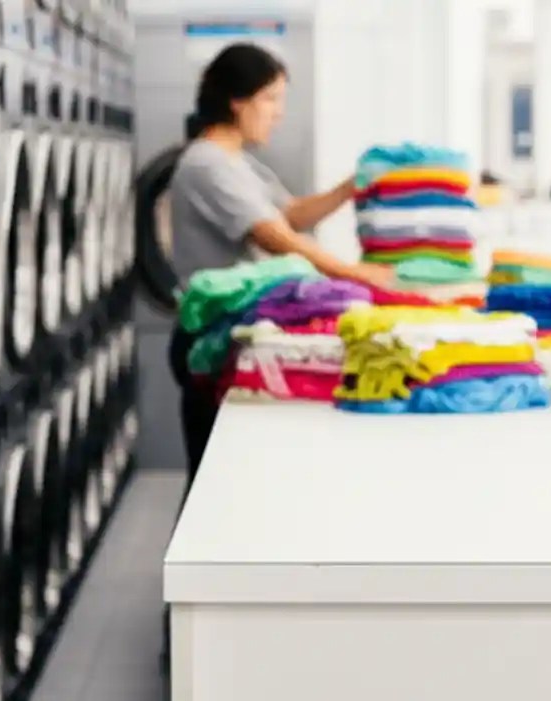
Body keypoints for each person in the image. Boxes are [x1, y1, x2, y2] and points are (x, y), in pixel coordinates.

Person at [167, 43, 394, 486]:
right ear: (238, 100)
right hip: (206, 337)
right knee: (213, 485)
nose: (278, 113)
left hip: (232, 331)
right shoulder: (206, 163)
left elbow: (290, 215)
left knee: (229, 480)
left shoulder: (238, 161)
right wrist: (354, 275)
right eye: (270, 99)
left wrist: (351, 187)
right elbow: (274, 238)